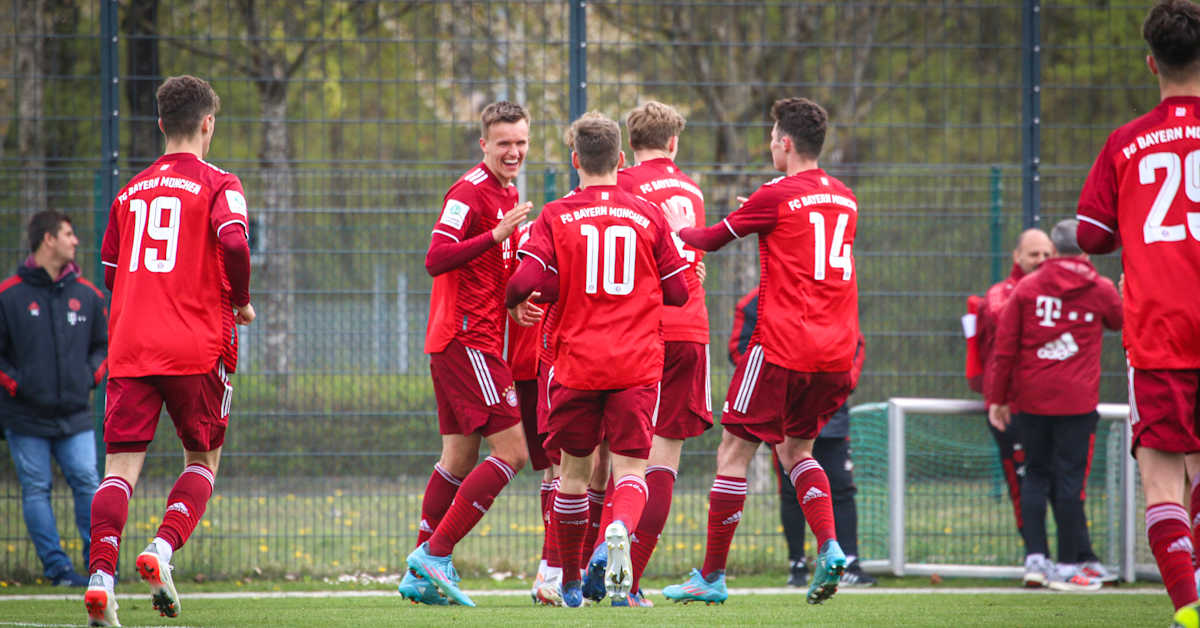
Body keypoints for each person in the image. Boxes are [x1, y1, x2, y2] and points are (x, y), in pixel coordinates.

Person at [660, 96, 859, 606]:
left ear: (785, 143)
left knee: (733, 452)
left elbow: (707, 238)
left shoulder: (776, 194)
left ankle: (710, 575)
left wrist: (668, 225)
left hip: (780, 346)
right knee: (798, 451)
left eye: (772, 136)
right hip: (836, 353)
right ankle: (832, 547)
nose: (770, 144)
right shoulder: (845, 197)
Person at [84, 75, 255, 627]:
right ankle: (161, 550)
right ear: (208, 123)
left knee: (119, 470)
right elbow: (233, 241)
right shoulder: (220, 183)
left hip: (131, 344)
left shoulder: (128, 193)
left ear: (160, 124)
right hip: (195, 345)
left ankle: (100, 580)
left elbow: (111, 270)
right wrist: (243, 302)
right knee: (203, 459)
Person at [507, 111, 689, 607]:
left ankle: (567, 583)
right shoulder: (650, 215)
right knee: (631, 472)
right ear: (621, 159)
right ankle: (618, 531)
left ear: (575, 161)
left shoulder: (554, 214)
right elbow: (677, 292)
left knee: (571, 475)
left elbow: (522, 284)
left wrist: (537, 293)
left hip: (575, 365)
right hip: (634, 365)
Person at [1075, 1, 1200, 622]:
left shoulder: (1127, 141)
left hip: (1160, 331)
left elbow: (1092, 236)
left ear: (1152, 62)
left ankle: (1188, 611)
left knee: (1162, 485)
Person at [402, 101, 538, 608]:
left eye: (521, 141)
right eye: (504, 142)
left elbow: (490, 276)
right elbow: (436, 258)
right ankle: (437, 553)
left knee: (457, 458)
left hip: (475, 337)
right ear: (484, 144)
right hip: (465, 341)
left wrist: (514, 305)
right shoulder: (467, 191)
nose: (514, 151)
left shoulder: (511, 193)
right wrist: (495, 235)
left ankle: (420, 570)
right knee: (514, 453)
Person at [576, 101, 711, 607]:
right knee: (662, 463)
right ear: (674, 142)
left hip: (639, 332)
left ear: (627, 146)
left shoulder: (622, 185)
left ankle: (596, 557)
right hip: (691, 330)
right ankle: (629, 584)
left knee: (621, 461)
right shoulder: (693, 190)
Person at [986, 219, 1122, 592]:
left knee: (1035, 475)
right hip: (1078, 403)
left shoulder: (1027, 288)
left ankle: (1035, 561)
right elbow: (1119, 320)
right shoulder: (1099, 286)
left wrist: (997, 398)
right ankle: (1066, 565)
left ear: (1054, 249)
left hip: (1032, 401)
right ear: (1083, 251)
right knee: (1069, 482)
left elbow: (1005, 348)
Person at [731, 288, 873, 587]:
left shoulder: (833, 291)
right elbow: (739, 348)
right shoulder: (753, 302)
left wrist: (845, 382)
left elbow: (855, 341)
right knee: (790, 488)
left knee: (842, 487)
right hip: (782, 405)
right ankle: (797, 564)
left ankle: (849, 561)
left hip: (831, 407)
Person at [0, 210, 105, 587]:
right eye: (68, 234)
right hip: (25, 417)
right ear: (48, 239)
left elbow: (104, 346)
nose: (75, 241)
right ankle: (57, 569)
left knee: (88, 482)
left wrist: (89, 376)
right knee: (36, 489)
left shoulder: (89, 295)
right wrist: (18, 385)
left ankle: (100, 567)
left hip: (75, 415)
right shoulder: (8, 295)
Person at [971, 228, 1053, 572]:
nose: (1042, 262)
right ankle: (1036, 557)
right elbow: (1002, 319)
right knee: (1024, 485)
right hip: (1013, 411)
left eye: (1048, 255)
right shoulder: (1000, 294)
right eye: (1034, 255)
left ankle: (1075, 560)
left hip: (1057, 407)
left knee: (1066, 486)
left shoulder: (1062, 294)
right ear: (1017, 257)